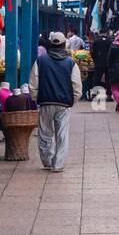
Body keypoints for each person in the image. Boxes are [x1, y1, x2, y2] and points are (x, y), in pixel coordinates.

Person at [32, 31, 82, 172]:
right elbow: (77, 86)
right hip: (64, 104)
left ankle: (47, 161)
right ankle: (58, 164)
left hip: (45, 102)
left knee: (45, 133)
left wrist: (37, 98)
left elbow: (33, 83)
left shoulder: (40, 61)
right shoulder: (71, 63)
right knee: (62, 135)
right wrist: (72, 101)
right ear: (64, 44)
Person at [89, 32, 111, 99]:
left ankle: (94, 94)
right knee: (108, 79)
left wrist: (95, 60)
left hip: (98, 63)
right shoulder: (109, 41)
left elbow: (92, 52)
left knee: (96, 79)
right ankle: (109, 95)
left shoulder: (96, 41)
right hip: (108, 63)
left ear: (99, 33)